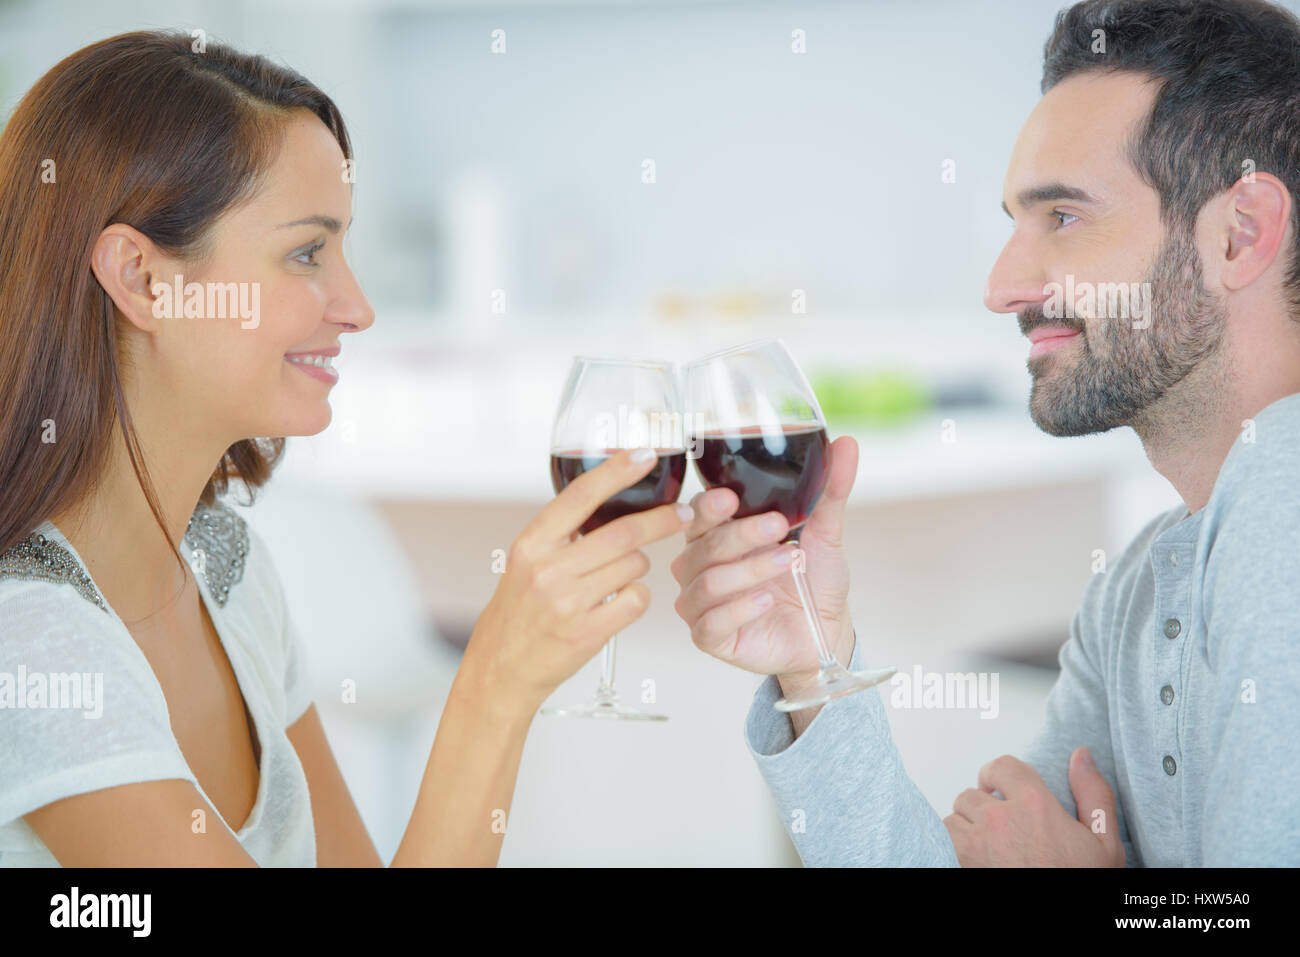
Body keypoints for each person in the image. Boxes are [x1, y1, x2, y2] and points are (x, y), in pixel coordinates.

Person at [0, 29, 692, 867]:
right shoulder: (32, 642)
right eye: (306, 252)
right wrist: (494, 683)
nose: (357, 306)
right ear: (144, 279)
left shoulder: (229, 572)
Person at [672, 0, 1300, 866]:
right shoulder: (1133, 598)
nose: (1003, 286)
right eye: (1014, 223)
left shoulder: (1287, 498)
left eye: (1063, 217)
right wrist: (813, 669)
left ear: (1241, 234)